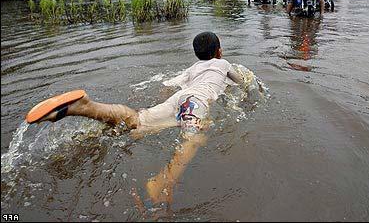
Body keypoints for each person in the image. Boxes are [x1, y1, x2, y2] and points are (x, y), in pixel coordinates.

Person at [25, 31, 244, 216]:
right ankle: (162, 184)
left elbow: (168, 86)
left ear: (197, 54)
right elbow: (240, 81)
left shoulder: (191, 70)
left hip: (179, 99)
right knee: (194, 138)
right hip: (197, 101)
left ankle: (85, 107)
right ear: (219, 51)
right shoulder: (223, 62)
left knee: (136, 120)